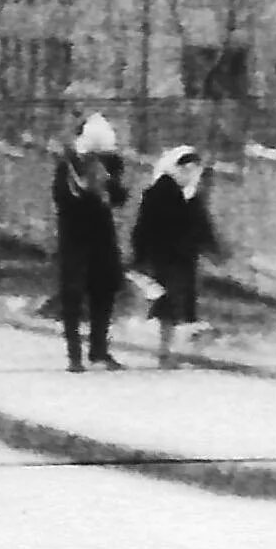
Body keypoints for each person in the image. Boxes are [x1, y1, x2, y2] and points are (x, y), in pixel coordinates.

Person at [130, 145, 220, 368]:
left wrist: (211, 248)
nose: (191, 174)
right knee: (168, 304)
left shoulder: (187, 193)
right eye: (187, 168)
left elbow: (199, 224)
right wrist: (142, 256)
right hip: (166, 257)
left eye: (194, 169)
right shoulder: (161, 192)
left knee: (176, 304)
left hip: (180, 258)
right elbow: (146, 226)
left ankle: (172, 349)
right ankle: (165, 350)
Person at [53, 113, 129, 373]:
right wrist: (86, 192)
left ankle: (99, 348)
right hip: (74, 236)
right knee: (73, 293)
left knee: (104, 289)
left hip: (101, 235)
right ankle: (74, 353)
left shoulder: (110, 163)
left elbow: (119, 198)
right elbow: (61, 198)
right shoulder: (68, 165)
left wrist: (110, 185)